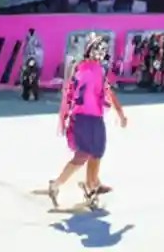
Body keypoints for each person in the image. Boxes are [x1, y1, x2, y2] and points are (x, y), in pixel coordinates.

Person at [46, 34, 127, 209]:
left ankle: (92, 183)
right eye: (97, 49)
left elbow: (107, 91)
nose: (100, 53)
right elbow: (72, 92)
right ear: (90, 50)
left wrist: (119, 112)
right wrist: (67, 116)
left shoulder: (98, 69)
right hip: (82, 118)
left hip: (96, 118)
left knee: (97, 153)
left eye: (102, 50)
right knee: (83, 155)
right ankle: (57, 185)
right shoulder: (82, 69)